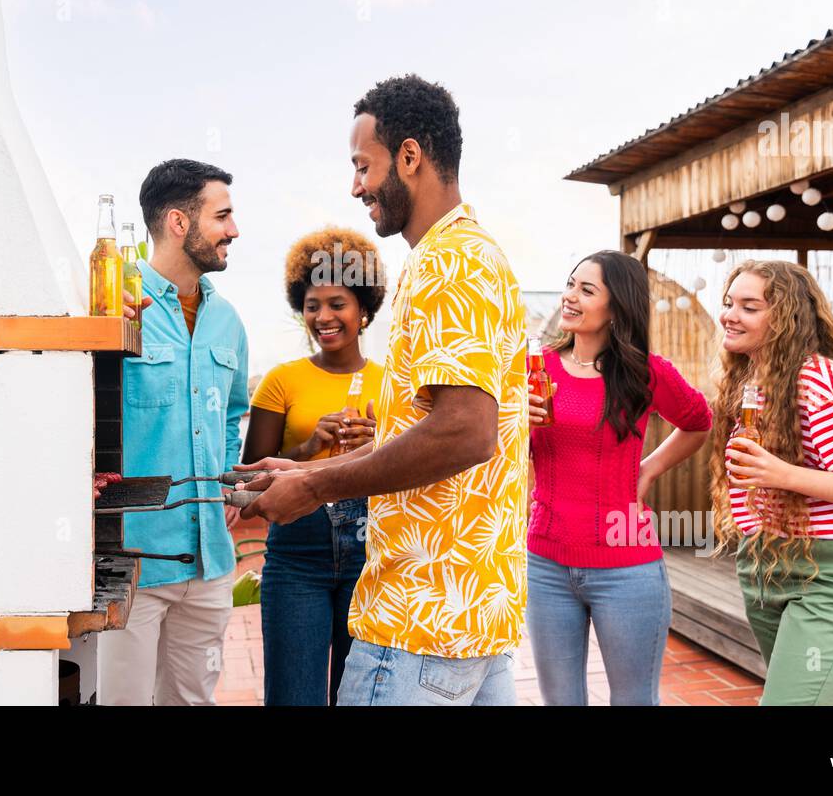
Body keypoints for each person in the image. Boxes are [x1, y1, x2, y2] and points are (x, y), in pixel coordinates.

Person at [235, 74, 529, 706]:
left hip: (418, 620)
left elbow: (465, 432)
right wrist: (307, 467)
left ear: (410, 156)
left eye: (362, 165)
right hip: (474, 617)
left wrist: (314, 488)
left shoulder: (448, 261)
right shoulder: (477, 254)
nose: (356, 186)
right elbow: (427, 431)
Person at [711, 259, 833, 706]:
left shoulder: (824, 382)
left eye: (749, 307)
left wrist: (781, 475)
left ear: (786, 318)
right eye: (728, 303)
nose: (729, 316)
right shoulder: (750, 381)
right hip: (767, 561)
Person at [526, 251, 711, 705]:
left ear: (616, 308)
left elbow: (698, 421)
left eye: (587, 290)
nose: (570, 297)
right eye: (570, 284)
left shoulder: (645, 372)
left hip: (627, 568)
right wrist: (511, 422)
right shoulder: (533, 370)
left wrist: (650, 468)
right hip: (545, 565)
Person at [97, 159, 248, 706]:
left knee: (192, 701)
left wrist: (227, 482)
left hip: (210, 561)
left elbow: (231, 415)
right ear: (179, 223)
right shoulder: (116, 305)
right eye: (222, 216)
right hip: (135, 560)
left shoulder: (228, 321)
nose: (234, 230)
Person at [242, 227, 387, 705]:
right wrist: (307, 447)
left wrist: (378, 443)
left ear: (364, 309)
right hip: (297, 555)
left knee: (360, 694)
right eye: (312, 305)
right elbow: (250, 476)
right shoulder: (281, 381)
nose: (323, 317)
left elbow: (411, 466)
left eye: (337, 304)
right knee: (293, 695)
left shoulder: (393, 384)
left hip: (372, 551)